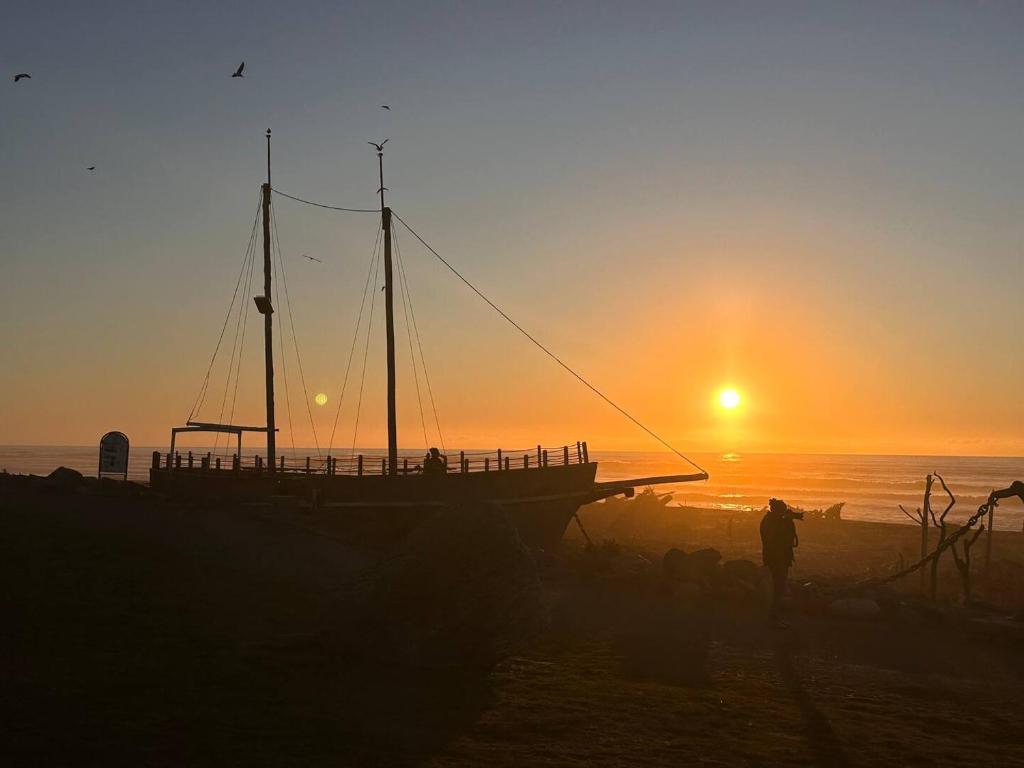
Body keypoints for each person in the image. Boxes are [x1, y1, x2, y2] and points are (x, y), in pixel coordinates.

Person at [760, 498, 801, 627]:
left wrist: (786, 521)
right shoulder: (771, 522)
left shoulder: (773, 520)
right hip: (776, 558)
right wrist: (787, 522)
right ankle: (773, 618)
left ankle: (774, 616)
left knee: (778, 588)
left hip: (779, 557)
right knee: (777, 589)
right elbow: (776, 539)